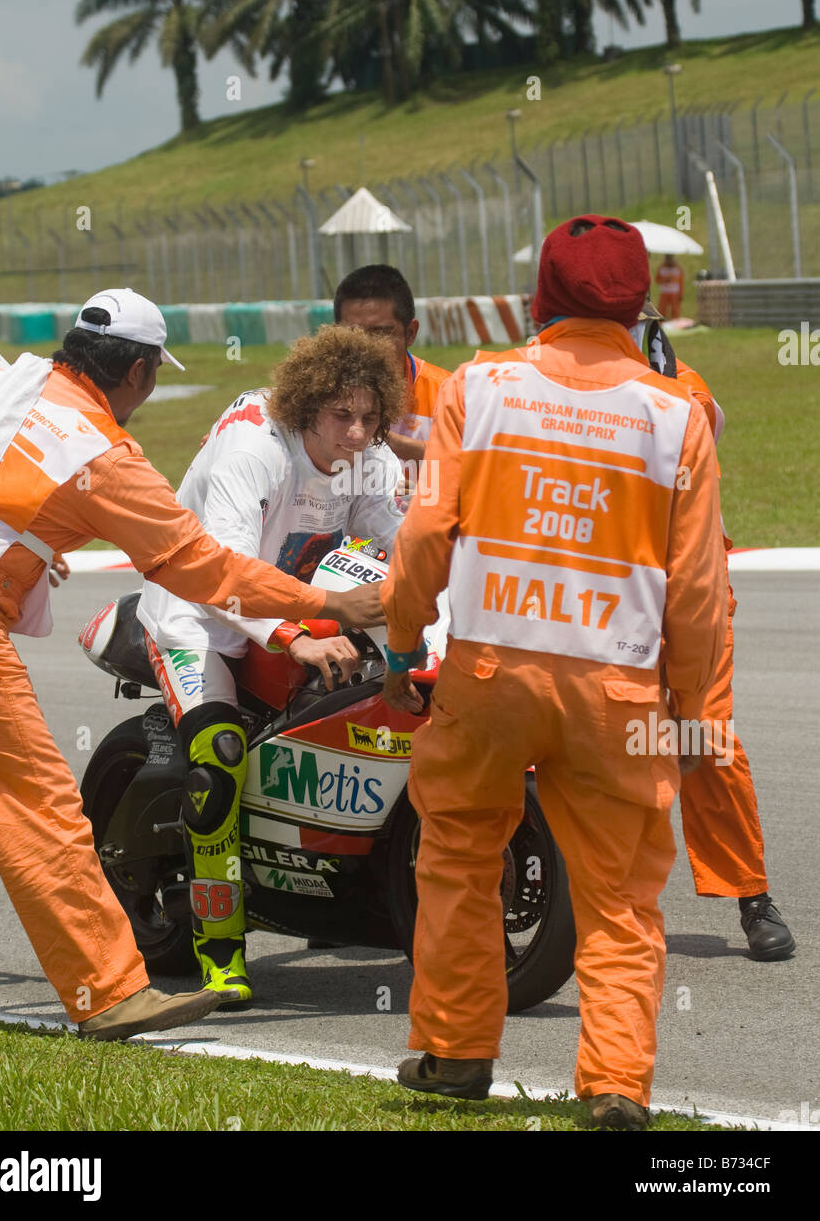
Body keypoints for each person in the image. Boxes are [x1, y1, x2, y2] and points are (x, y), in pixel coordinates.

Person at [0, 288, 379, 1042]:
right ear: (143, 374)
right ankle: (109, 991)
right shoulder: (103, 452)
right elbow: (204, 566)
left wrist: (16, 543)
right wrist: (327, 605)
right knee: (39, 809)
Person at [381, 216, 728, 1128]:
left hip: (489, 674)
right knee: (619, 894)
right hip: (618, 691)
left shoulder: (479, 387)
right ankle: (615, 1084)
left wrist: (402, 635)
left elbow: (424, 532)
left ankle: (454, 1056)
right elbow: (696, 591)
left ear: (540, 297)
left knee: (459, 857)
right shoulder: (676, 414)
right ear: (639, 304)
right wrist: (687, 711)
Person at [137, 324, 406, 1004]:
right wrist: (295, 638)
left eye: (370, 418)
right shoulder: (253, 447)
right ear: (305, 403)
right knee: (221, 753)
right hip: (194, 614)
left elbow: (406, 546)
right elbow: (221, 571)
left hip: (291, 602)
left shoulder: (369, 457)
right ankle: (221, 950)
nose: (355, 433)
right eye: (342, 415)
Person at [631, 316, 795, 960]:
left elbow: (708, 420)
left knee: (706, 738)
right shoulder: (549, 383)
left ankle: (751, 894)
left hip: (694, 597)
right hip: (606, 603)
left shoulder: (685, 386)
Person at [334, 265, 450, 466]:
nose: (365, 348)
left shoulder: (449, 394)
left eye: (380, 334)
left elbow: (476, 464)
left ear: (410, 333)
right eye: (353, 334)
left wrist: (383, 440)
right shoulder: (315, 395)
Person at [655, 254, 684, 320]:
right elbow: (657, 280)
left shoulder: (678, 268)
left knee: (675, 309)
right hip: (664, 292)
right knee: (662, 308)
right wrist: (665, 280)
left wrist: (681, 293)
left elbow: (681, 282)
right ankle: (661, 323)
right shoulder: (662, 267)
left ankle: (675, 322)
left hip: (675, 292)